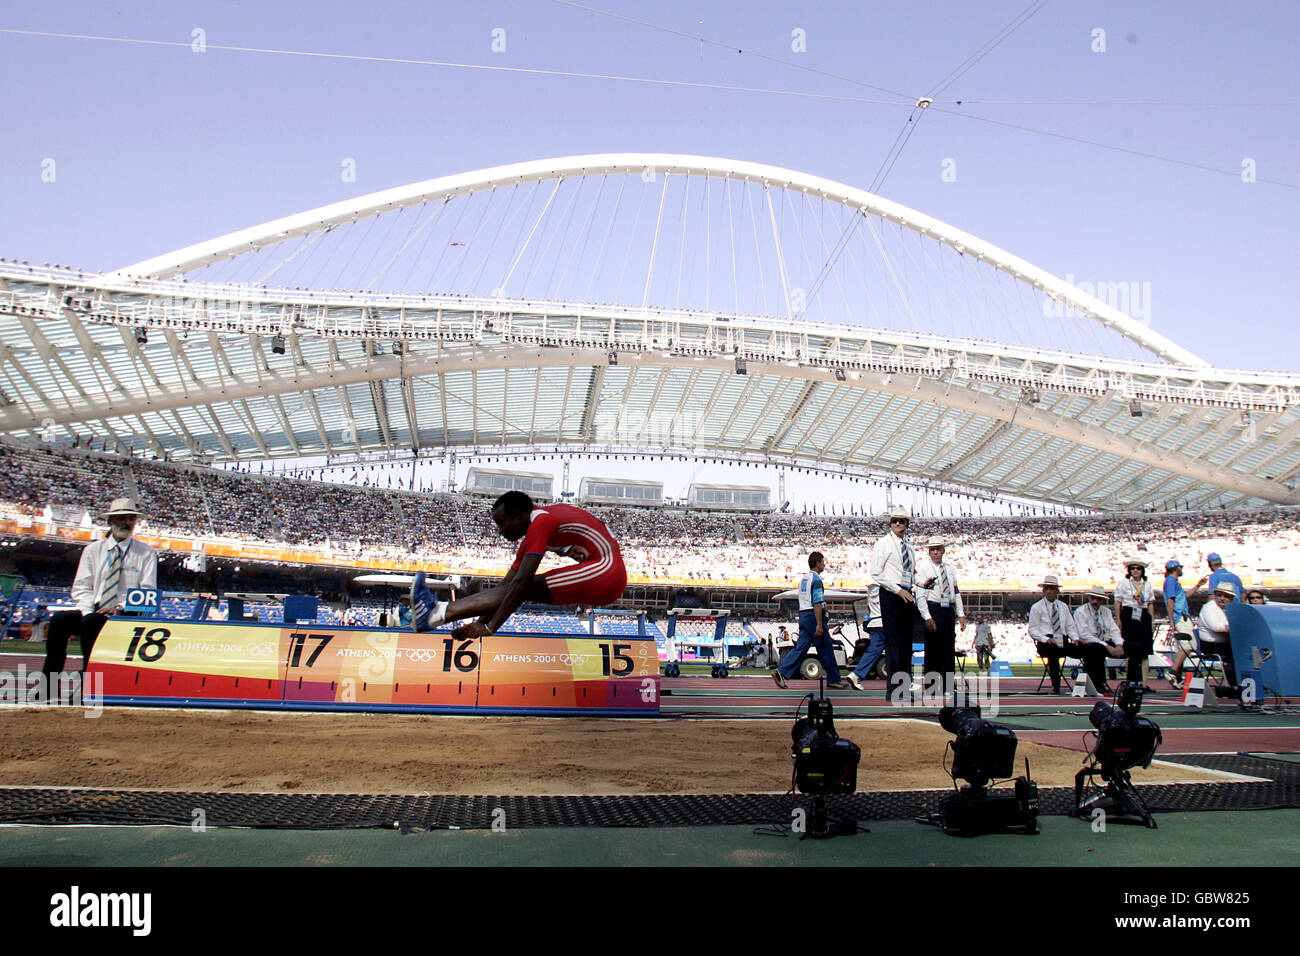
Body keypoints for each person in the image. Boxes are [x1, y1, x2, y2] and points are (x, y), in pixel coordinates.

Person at [411, 491, 627, 639]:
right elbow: (508, 585)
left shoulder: (541, 522)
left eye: (503, 523)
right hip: (603, 573)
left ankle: (435, 613)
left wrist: (490, 626)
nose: (500, 530)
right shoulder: (533, 530)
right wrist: (479, 623)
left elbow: (521, 583)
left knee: (528, 586)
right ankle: (434, 616)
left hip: (607, 571)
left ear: (520, 515)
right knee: (521, 587)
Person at [41, 497, 158, 693]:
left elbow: (147, 591)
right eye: (122, 518)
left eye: (131, 519)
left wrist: (119, 608)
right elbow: (82, 586)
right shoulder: (92, 550)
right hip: (94, 609)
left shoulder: (146, 553)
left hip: (125, 613)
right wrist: (87, 611)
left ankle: (89, 685)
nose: (127, 523)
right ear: (110, 522)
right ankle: (48, 686)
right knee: (59, 621)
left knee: (91, 624)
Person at [772, 552, 845, 688]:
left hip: (803, 614)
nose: (824, 564)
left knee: (802, 647)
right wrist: (819, 624)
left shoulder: (804, 579)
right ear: (817, 563)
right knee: (825, 647)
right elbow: (817, 603)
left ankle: (781, 671)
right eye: (823, 561)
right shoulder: (817, 580)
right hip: (813, 615)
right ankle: (834, 679)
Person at [871, 505, 920, 701]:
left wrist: (920, 584)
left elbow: (911, 574)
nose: (898, 523)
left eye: (902, 521)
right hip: (892, 593)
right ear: (890, 523)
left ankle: (905, 688)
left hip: (907, 592)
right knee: (893, 643)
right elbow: (876, 573)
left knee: (907, 643)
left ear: (907, 524)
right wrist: (897, 590)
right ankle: (893, 689)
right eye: (895, 521)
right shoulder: (882, 544)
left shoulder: (909, 547)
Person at [915, 539, 967, 693]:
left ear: (943, 551)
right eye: (933, 550)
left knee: (948, 648)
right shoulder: (924, 569)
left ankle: (949, 685)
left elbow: (956, 592)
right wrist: (927, 617)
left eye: (938, 549)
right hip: (934, 608)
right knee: (933, 649)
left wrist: (961, 614)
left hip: (948, 609)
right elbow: (920, 596)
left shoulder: (950, 569)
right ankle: (932, 686)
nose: (936, 552)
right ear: (929, 552)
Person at [1028, 574, 1078, 695]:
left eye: (1052, 588)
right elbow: (1033, 630)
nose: (1049, 591)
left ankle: (1093, 684)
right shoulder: (1036, 607)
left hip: (1062, 639)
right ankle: (1056, 686)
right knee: (1053, 651)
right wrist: (1046, 639)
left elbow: (1070, 627)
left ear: (1057, 591)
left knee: (1086, 649)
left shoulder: (1063, 606)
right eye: (1047, 588)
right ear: (1043, 590)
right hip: (1046, 642)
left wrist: (1076, 639)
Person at [1071, 585, 1125, 695]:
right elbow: (1084, 634)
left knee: (1133, 647)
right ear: (1089, 598)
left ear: (1102, 600)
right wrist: (1107, 646)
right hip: (1085, 643)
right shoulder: (1081, 612)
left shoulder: (1106, 612)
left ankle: (1133, 684)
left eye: (1098, 599)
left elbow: (1113, 629)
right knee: (1096, 648)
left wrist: (1119, 645)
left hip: (1102, 642)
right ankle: (1099, 683)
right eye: (1093, 598)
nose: (1095, 602)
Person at [1114, 556, 1158, 686]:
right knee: (1131, 649)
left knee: (1145, 651)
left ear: (1142, 570)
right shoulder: (1124, 583)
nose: (1135, 571)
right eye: (1132, 568)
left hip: (1143, 615)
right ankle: (1131, 680)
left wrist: (1151, 621)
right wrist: (1119, 619)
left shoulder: (1147, 584)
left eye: (1138, 568)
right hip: (1129, 613)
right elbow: (1118, 601)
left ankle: (1144, 683)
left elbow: (1150, 603)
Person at [1197, 581, 1239, 687]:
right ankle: (1234, 682)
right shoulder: (1209, 608)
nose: (1222, 598)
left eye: (1226, 596)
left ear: (1231, 599)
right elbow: (1216, 627)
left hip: (1223, 644)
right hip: (1210, 645)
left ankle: (1239, 680)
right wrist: (1234, 628)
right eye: (1219, 595)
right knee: (1239, 650)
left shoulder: (1229, 609)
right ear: (1215, 596)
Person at [846, 583, 885, 691]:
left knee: (873, 651)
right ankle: (903, 679)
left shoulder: (871, 587)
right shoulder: (887, 584)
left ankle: (857, 674)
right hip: (885, 622)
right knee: (898, 651)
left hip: (874, 621)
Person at [1164, 560, 1195, 690]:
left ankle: (1178, 678)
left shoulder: (1173, 582)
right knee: (1189, 646)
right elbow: (1171, 601)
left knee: (1183, 648)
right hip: (1180, 617)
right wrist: (1172, 620)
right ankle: (1172, 672)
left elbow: (1183, 597)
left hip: (1182, 616)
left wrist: (1198, 586)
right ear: (1176, 569)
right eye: (1180, 568)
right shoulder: (1171, 581)